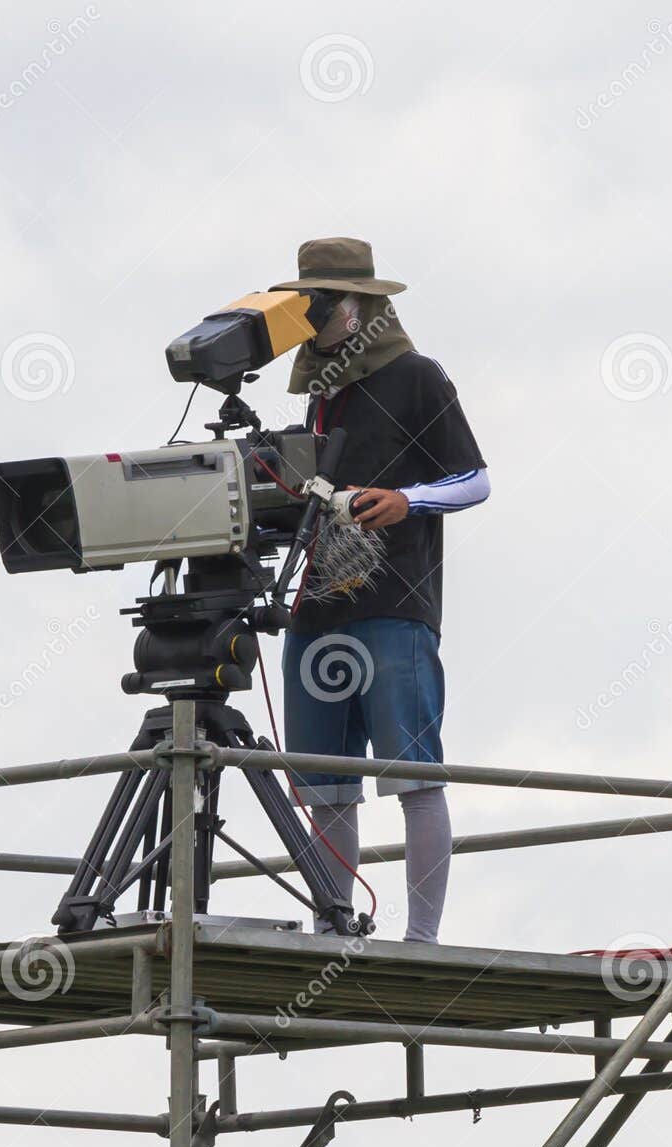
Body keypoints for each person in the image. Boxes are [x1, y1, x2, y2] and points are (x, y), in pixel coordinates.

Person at [272, 237, 489, 944]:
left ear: (359, 305)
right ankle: (336, 929)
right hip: (316, 609)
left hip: (394, 606)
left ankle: (422, 940)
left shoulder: (416, 375)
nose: (310, 315)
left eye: (319, 302)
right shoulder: (319, 397)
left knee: (415, 776)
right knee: (326, 785)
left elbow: (474, 479)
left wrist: (406, 500)